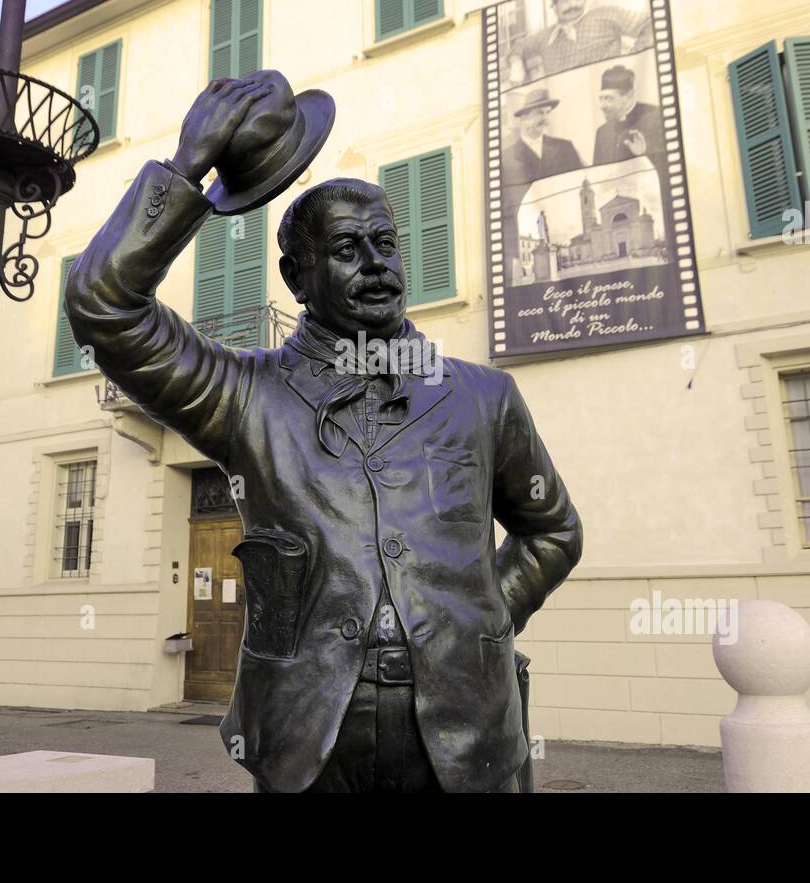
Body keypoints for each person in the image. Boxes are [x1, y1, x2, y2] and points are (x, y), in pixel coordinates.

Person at [65, 71, 582, 793]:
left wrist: (479, 622)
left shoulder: (484, 396)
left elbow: (552, 531)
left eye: (387, 243)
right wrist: (186, 169)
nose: (377, 265)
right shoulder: (245, 396)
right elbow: (105, 308)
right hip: (308, 738)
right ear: (296, 275)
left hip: (469, 734)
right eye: (347, 249)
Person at [515, 0, 653, 82]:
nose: (573, 4)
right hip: (567, 108)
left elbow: (649, 23)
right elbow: (518, 46)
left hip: (607, 102)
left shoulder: (605, 15)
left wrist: (633, 61)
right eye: (566, 0)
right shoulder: (544, 36)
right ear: (554, 6)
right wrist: (516, 63)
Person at [592, 65, 665, 174]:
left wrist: (645, 153)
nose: (602, 106)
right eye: (601, 99)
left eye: (608, 99)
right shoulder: (602, 132)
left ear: (629, 96)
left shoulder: (656, 117)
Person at [503, 87, 582, 186]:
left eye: (547, 112)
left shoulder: (565, 148)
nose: (545, 118)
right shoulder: (506, 158)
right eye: (539, 113)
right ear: (524, 118)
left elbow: (579, 183)